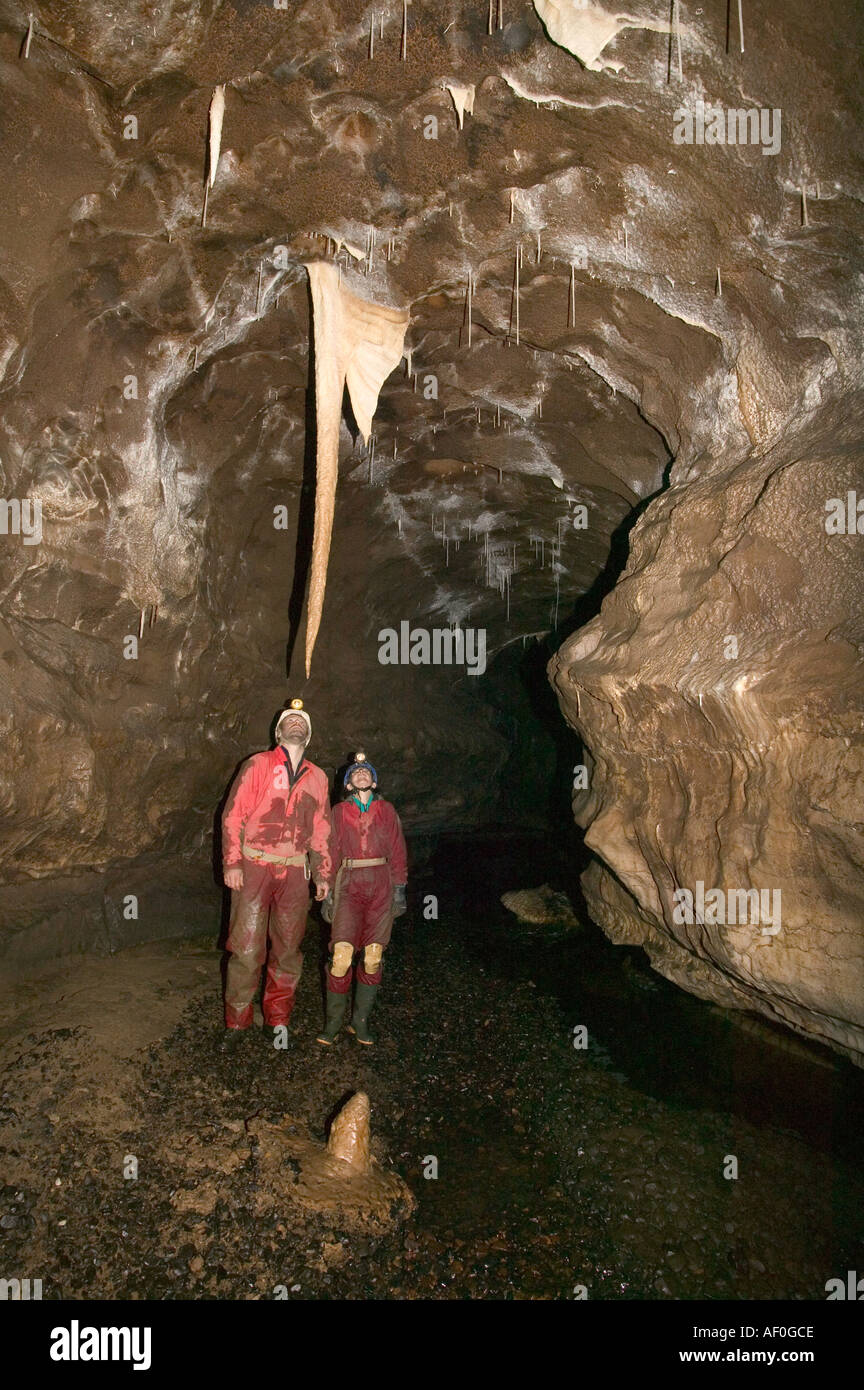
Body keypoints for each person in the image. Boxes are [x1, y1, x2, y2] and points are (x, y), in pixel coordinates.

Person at [221, 699, 332, 1042]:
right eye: (290, 719)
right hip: (255, 867)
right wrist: (232, 862)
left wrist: (323, 871)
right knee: (247, 948)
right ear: (278, 731)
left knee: (287, 949)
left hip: (296, 873)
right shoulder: (258, 765)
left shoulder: (318, 777)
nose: (296, 722)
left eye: (302, 720)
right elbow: (234, 815)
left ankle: (278, 1019)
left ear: (309, 734)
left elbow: (321, 830)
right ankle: (237, 1022)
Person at [317, 752, 408, 1047]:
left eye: (366, 771)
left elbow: (398, 850)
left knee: (372, 957)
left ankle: (360, 1023)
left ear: (374, 780)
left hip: (381, 883)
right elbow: (329, 851)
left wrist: (399, 888)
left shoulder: (387, 810)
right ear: (347, 784)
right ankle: (332, 1024)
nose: (360, 774)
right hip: (349, 883)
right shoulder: (339, 812)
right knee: (341, 957)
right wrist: (328, 891)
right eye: (354, 773)